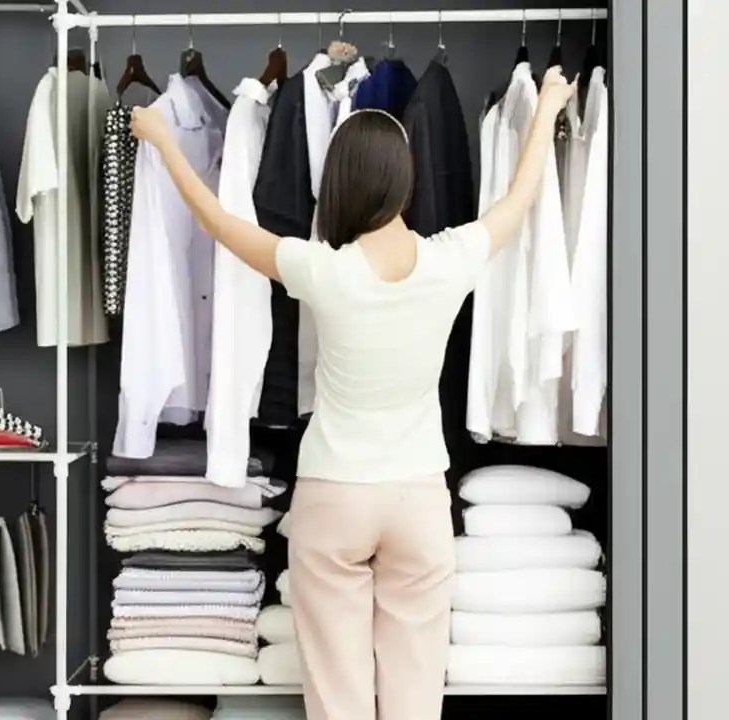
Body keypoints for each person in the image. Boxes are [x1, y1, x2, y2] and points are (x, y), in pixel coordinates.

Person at [130, 66, 578, 720]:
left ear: (338, 183)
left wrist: (163, 140)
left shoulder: (322, 269)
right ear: (405, 180)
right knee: (415, 694)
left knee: (338, 697)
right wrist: (550, 107)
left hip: (335, 494)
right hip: (418, 496)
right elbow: (520, 195)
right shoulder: (451, 258)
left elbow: (220, 223)